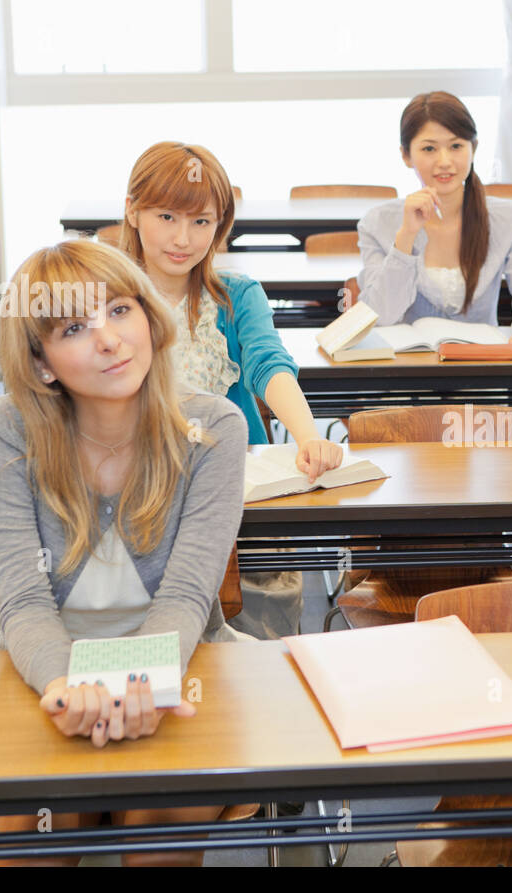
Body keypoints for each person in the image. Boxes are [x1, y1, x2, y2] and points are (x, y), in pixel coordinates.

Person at [0, 240, 246, 864]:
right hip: (41, 674)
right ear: (41, 363)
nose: (109, 340)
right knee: (32, 828)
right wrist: (70, 687)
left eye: (120, 311)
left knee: (160, 828)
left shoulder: (214, 429)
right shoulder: (4, 432)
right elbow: (20, 603)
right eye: (74, 327)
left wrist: (141, 683)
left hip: (181, 667)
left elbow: (184, 597)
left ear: (149, 318)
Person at [122, 141, 341, 638]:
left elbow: (270, 364)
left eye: (202, 222)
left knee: (256, 628)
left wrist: (308, 437)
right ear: (133, 211)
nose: (184, 238)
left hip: (230, 483)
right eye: (167, 217)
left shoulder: (237, 295)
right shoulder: (106, 295)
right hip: (134, 487)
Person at [356, 91, 512, 351]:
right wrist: (406, 236)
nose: (444, 162)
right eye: (429, 148)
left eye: (456, 146)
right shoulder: (376, 222)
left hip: (482, 370)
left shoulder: (509, 217)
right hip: (408, 374)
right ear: (406, 155)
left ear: (473, 148)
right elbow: (379, 315)